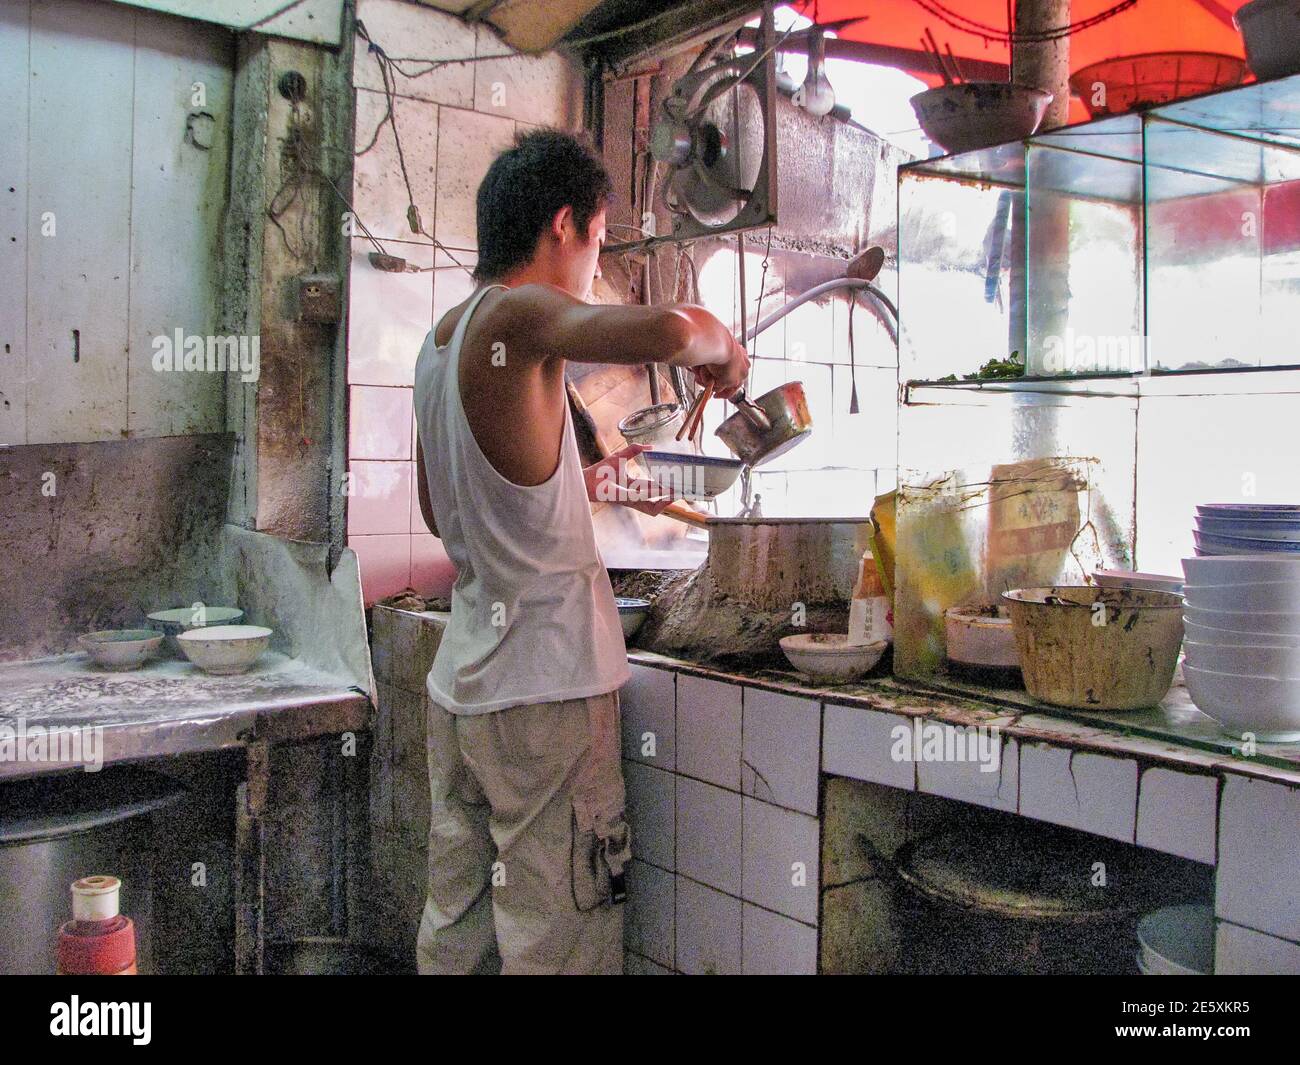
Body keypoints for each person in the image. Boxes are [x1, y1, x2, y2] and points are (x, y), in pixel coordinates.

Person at [412, 128, 748, 974]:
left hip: (465, 685)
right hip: (547, 691)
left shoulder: (442, 340)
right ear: (563, 225)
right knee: (560, 935)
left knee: (459, 926)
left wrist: (570, 494)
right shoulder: (518, 312)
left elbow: (439, 503)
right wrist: (727, 348)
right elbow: (672, 332)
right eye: (598, 242)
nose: (594, 269)